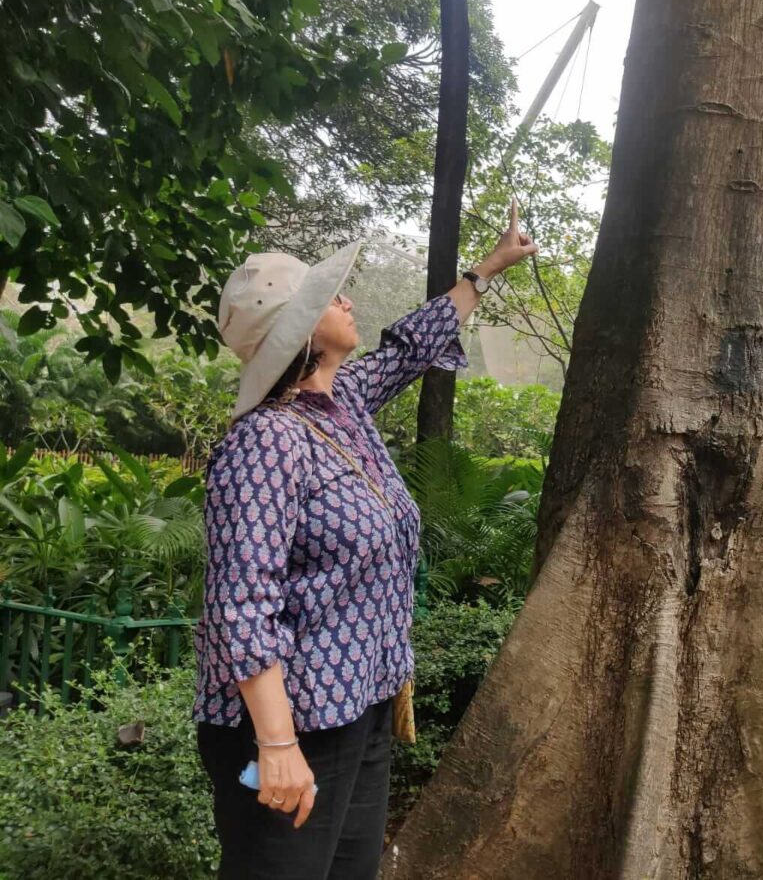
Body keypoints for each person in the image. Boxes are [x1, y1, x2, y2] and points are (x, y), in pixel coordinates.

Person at [193, 200, 537, 879]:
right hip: (292, 727)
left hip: (361, 708)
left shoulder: (340, 406)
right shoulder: (266, 442)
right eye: (327, 297)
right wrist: (278, 742)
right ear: (299, 333)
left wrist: (488, 268)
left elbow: (410, 348)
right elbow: (239, 606)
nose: (347, 299)